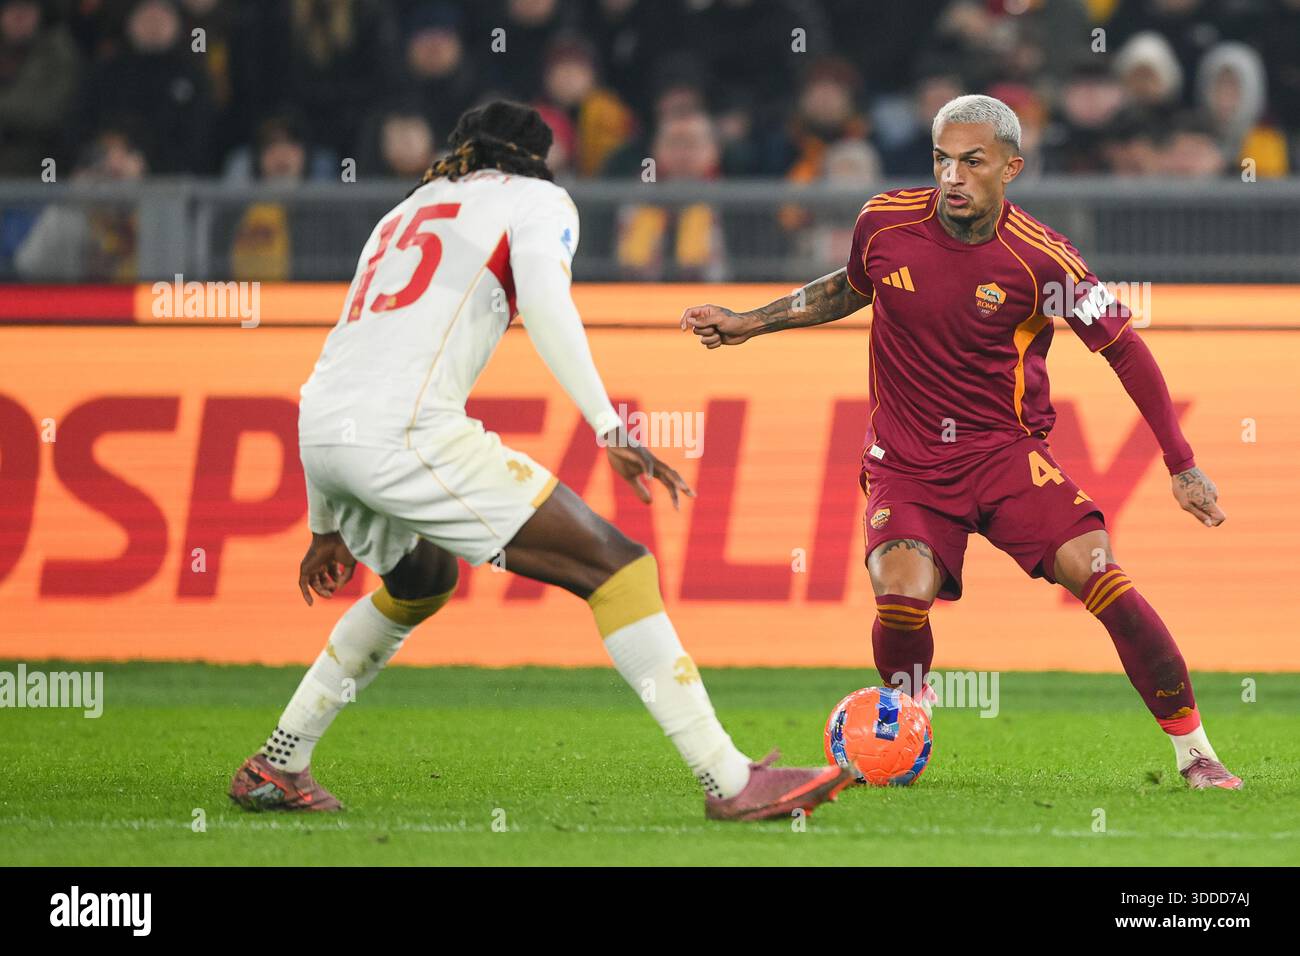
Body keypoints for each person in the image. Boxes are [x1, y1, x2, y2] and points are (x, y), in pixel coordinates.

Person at [229, 101, 853, 820]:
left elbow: (346, 354)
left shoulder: (406, 210)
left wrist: (324, 521)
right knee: (619, 569)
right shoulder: (535, 198)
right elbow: (549, 305)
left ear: (460, 148)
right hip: (403, 432)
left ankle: (280, 763)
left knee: (420, 581)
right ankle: (731, 782)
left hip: (325, 429)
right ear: (537, 158)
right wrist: (608, 426)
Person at [680, 94, 1241, 792]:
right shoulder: (884, 221)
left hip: (1005, 456)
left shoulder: (1046, 260)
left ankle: (1196, 753)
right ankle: (910, 712)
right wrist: (749, 322)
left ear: (1010, 168)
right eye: (942, 159)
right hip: (906, 459)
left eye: (971, 162)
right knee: (899, 592)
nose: (952, 176)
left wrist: (1182, 464)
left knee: (1101, 575)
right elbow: (849, 288)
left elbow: (1125, 350)